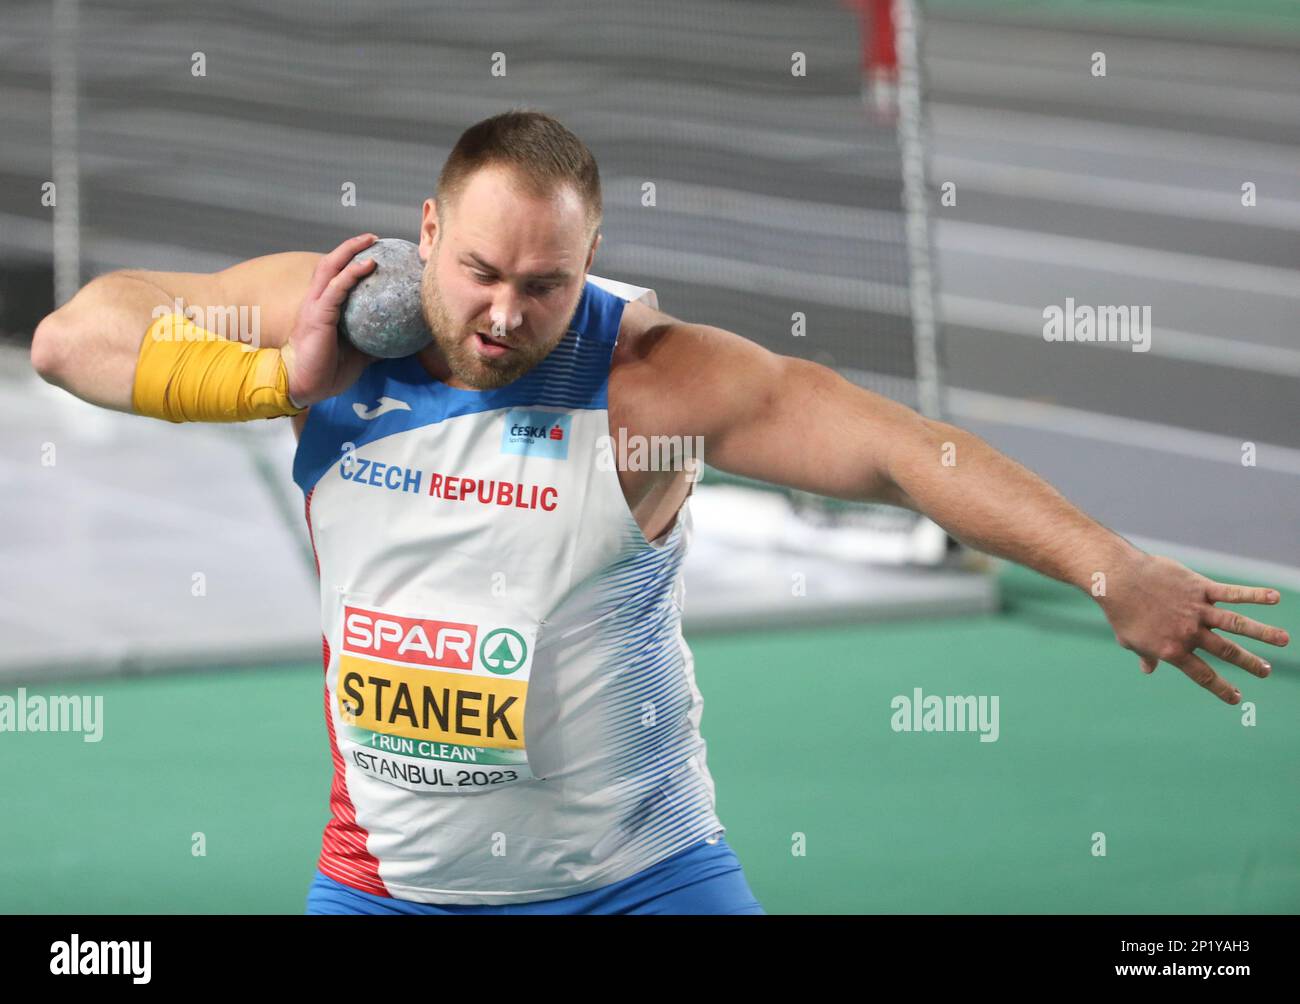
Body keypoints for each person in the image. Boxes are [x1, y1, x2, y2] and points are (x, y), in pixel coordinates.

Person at [30, 109, 1289, 915]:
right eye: (475, 271)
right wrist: (277, 380)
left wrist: (1105, 564)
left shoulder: (649, 389)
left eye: (544, 282)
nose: (504, 314)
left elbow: (905, 452)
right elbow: (71, 337)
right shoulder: (337, 327)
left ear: (589, 265)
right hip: (387, 887)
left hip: (637, 886)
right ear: (427, 234)